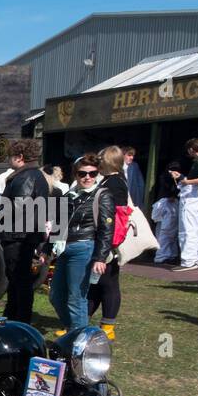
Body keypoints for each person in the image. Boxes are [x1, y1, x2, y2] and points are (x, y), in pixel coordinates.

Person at [50, 153, 113, 335]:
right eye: (83, 173)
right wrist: (47, 249)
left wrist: (100, 257)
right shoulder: (69, 195)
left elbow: (106, 228)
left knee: (76, 297)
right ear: (75, 174)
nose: (87, 177)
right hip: (63, 249)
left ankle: (79, 340)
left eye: (92, 174)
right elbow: (58, 223)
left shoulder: (102, 195)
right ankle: (74, 330)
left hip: (84, 248)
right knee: (56, 295)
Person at [0, 138, 50, 324]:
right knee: (17, 278)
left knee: (19, 278)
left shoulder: (25, 177)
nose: (8, 160)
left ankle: (20, 318)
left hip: (18, 235)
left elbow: (20, 207)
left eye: (10, 156)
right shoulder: (34, 175)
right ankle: (12, 314)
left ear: (19, 157)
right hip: (24, 233)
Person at [88, 146, 128, 340]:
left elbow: (113, 215)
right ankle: (84, 322)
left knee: (108, 282)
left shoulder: (114, 183)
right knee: (97, 283)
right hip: (107, 237)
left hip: (110, 238)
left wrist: (106, 243)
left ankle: (108, 326)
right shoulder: (111, 180)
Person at [177, 138, 198, 269]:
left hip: (193, 198)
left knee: (188, 228)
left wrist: (186, 182)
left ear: (191, 149)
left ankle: (188, 260)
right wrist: (181, 177)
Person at [151, 161, 182, 265]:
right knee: (167, 232)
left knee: (162, 231)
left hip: (162, 203)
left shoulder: (163, 176)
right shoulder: (168, 177)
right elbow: (172, 189)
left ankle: (167, 254)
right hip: (168, 203)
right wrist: (172, 194)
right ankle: (163, 256)